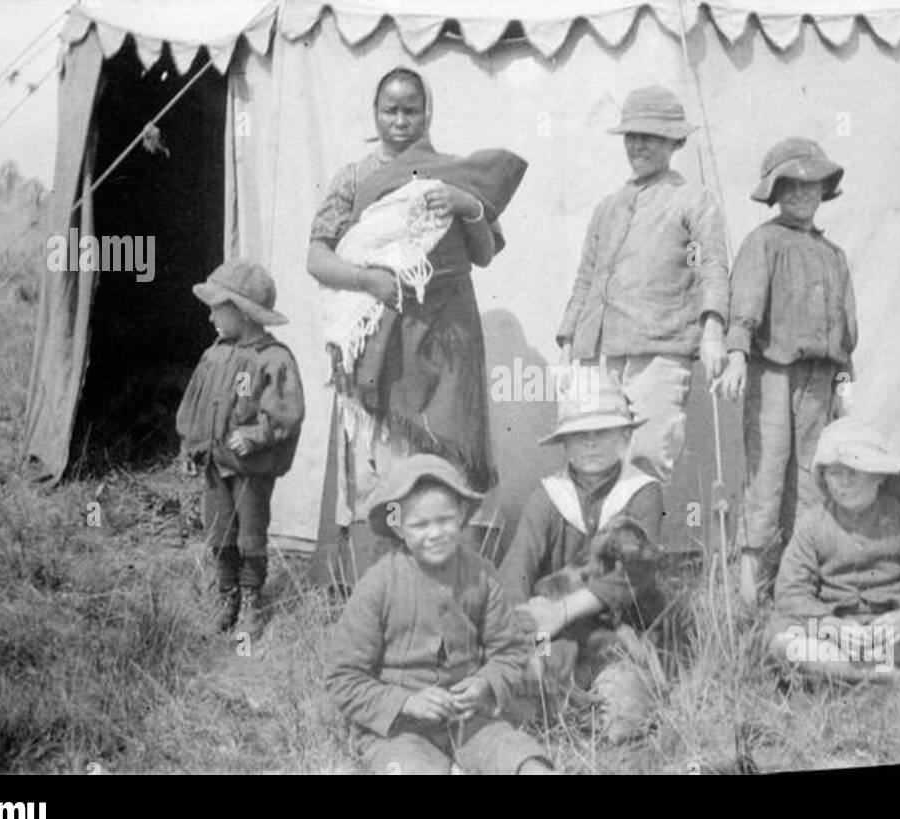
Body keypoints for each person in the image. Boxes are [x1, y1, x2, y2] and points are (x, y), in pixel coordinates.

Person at [306, 66, 526, 565]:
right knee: (378, 459)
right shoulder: (356, 178)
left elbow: (485, 254)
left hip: (445, 336)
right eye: (390, 110)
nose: (401, 121)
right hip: (380, 339)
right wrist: (368, 280)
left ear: (428, 113)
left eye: (412, 110)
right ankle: (381, 589)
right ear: (375, 113)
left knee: (438, 459)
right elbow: (316, 258)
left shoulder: (450, 174)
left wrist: (467, 204)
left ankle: (440, 590)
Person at [324, 455, 557, 774]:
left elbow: (512, 652)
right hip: (397, 731)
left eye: (445, 520)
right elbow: (342, 678)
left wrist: (485, 683)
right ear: (398, 525)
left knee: (528, 764)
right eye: (420, 524)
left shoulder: (483, 576)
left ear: (462, 515)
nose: (435, 533)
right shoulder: (377, 585)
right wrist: (405, 701)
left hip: (471, 721)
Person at [556, 84, 730, 485]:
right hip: (597, 355)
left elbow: (712, 267)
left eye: (650, 136)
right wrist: (569, 338)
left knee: (646, 457)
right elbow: (586, 278)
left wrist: (713, 328)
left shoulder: (693, 200)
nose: (638, 145)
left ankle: (633, 546)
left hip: (659, 352)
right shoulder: (608, 207)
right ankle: (594, 548)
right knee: (591, 458)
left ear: (675, 140)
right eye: (632, 136)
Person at [716, 137, 857, 605]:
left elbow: (843, 328)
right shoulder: (764, 242)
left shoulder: (833, 254)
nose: (802, 195)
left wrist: (843, 383)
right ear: (774, 192)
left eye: (811, 186)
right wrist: (736, 354)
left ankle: (798, 588)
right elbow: (746, 306)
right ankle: (748, 593)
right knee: (768, 471)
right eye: (791, 186)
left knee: (811, 477)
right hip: (772, 374)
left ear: (823, 192)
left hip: (819, 381)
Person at [500, 374, 666, 743]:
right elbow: (514, 574)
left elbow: (635, 574)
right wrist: (534, 626)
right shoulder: (547, 497)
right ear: (564, 444)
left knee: (624, 723)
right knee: (531, 685)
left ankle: (604, 698)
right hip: (555, 633)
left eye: (603, 432)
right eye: (580, 434)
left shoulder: (641, 492)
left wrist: (564, 609)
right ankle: (554, 702)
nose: (591, 443)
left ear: (625, 437)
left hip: (620, 631)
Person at [764, 418, 900, 683]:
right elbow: (791, 592)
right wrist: (830, 626)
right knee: (783, 643)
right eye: (834, 473)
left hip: (897, 631)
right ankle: (896, 675)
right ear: (825, 479)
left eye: (854, 471)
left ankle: (851, 671)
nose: (844, 482)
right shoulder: (812, 524)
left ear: (878, 475)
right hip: (839, 630)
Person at [176, 261, 305, 639]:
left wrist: (255, 434)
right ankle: (226, 597)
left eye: (218, 308)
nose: (211, 316)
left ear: (242, 312)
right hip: (216, 466)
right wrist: (190, 446)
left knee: (250, 536)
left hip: (250, 470)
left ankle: (251, 600)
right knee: (219, 533)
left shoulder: (274, 359)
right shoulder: (213, 356)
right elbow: (194, 407)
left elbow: (285, 411)